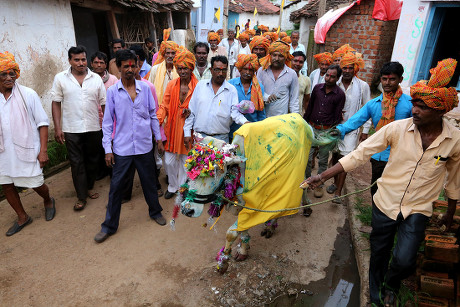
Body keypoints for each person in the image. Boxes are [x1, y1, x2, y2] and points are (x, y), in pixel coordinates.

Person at [304, 58, 460, 307]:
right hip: (384, 190)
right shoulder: (391, 123)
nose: (416, 111)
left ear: (441, 110)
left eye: (424, 107)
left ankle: (392, 283)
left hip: (418, 207)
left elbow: (454, 178)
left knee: (405, 259)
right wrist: (323, 172)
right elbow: (358, 151)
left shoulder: (452, 138)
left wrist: (450, 211)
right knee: (379, 249)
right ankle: (376, 289)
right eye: (416, 105)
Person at [95, 49, 166, 244]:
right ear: (118, 68)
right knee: (116, 187)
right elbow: (108, 122)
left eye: (132, 65)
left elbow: (153, 115)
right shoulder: (112, 92)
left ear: (137, 66)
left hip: (144, 146)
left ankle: (155, 212)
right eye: (125, 66)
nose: (129, 69)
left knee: (149, 182)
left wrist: (158, 139)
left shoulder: (145, 89)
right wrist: (107, 149)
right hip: (122, 148)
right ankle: (109, 226)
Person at [336, 62, 412, 203]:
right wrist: (338, 130)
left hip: (402, 156)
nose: (387, 83)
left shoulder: (411, 104)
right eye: (384, 79)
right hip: (380, 156)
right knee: (376, 190)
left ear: (400, 80)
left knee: (398, 192)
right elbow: (355, 121)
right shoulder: (374, 104)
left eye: (392, 79)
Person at [0, 52, 55, 236]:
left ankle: (48, 200)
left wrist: (44, 151)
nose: (9, 77)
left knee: (35, 182)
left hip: (27, 149)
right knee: (7, 184)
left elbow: (42, 123)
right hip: (3, 153)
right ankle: (22, 217)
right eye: (4, 74)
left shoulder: (27, 94)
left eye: (12, 73)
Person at [51, 45, 106, 211]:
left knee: (93, 160)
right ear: (70, 61)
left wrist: (108, 127)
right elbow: (56, 103)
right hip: (71, 128)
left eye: (83, 59)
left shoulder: (95, 78)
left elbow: (104, 104)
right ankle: (81, 196)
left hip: (93, 127)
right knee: (76, 163)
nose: (80, 63)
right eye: (76, 60)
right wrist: (58, 128)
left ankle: (88, 187)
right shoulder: (60, 78)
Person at [328, 52, 371, 204]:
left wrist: (365, 130)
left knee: (346, 160)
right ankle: (334, 183)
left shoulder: (362, 86)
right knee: (335, 157)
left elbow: (367, 107)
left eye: (350, 68)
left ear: (355, 69)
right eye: (344, 67)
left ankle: (338, 192)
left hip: (352, 130)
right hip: (334, 127)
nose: (346, 71)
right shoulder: (334, 82)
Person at [157, 48, 198, 199]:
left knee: (185, 161)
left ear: (190, 68)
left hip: (188, 130)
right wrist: (158, 120)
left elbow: (200, 108)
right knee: (169, 161)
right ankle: (172, 186)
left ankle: (181, 188)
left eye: (185, 68)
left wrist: (192, 112)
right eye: (179, 68)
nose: (182, 71)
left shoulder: (198, 86)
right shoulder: (172, 85)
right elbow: (164, 105)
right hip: (173, 128)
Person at [183, 56, 248, 145]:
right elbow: (191, 112)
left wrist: (246, 123)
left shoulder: (231, 90)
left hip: (221, 139)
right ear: (211, 70)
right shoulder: (200, 86)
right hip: (200, 138)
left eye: (224, 70)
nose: (220, 73)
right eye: (217, 70)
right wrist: (187, 133)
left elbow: (235, 113)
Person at [303, 65, 345, 198]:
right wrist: (304, 124)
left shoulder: (340, 94)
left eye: (333, 76)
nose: (329, 78)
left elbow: (338, 116)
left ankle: (319, 185)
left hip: (326, 132)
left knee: (322, 160)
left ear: (338, 78)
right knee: (307, 158)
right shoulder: (317, 88)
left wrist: (333, 133)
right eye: (327, 75)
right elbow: (309, 107)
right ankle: (307, 181)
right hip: (312, 128)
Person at [91, 51, 117, 180]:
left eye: (101, 62)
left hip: (110, 120)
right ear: (91, 64)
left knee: (111, 146)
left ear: (106, 65)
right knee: (97, 148)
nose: (99, 65)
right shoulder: (87, 80)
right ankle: (100, 172)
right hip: (94, 121)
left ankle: (113, 172)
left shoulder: (113, 80)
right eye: (96, 62)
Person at [228, 54, 266, 141]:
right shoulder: (231, 84)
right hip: (234, 130)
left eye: (251, 70)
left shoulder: (259, 87)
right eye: (245, 69)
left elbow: (261, 111)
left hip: (252, 130)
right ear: (240, 70)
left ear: (254, 72)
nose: (247, 73)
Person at [257, 41, 299, 117]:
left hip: (281, 119)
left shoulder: (292, 74)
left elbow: (294, 100)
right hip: (263, 117)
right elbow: (257, 91)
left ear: (285, 57)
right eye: (274, 55)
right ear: (270, 55)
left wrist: (295, 117)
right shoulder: (261, 71)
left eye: (280, 56)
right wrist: (267, 97)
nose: (277, 58)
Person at [147, 40, 179, 105]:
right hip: (159, 108)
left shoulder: (180, 70)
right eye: (168, 53)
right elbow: (150, 89)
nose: (170, 56)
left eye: (173, 53)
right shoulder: (155, 69)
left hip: (176, 108)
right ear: (164, 54)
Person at [292, 51, 311, 115]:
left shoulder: (306, 80)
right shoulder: (283, 77)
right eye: (295, 61)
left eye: (301, 62)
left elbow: (307, 100)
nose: (297, 64)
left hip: (298, 116)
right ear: (290, 61)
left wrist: (306, 116)